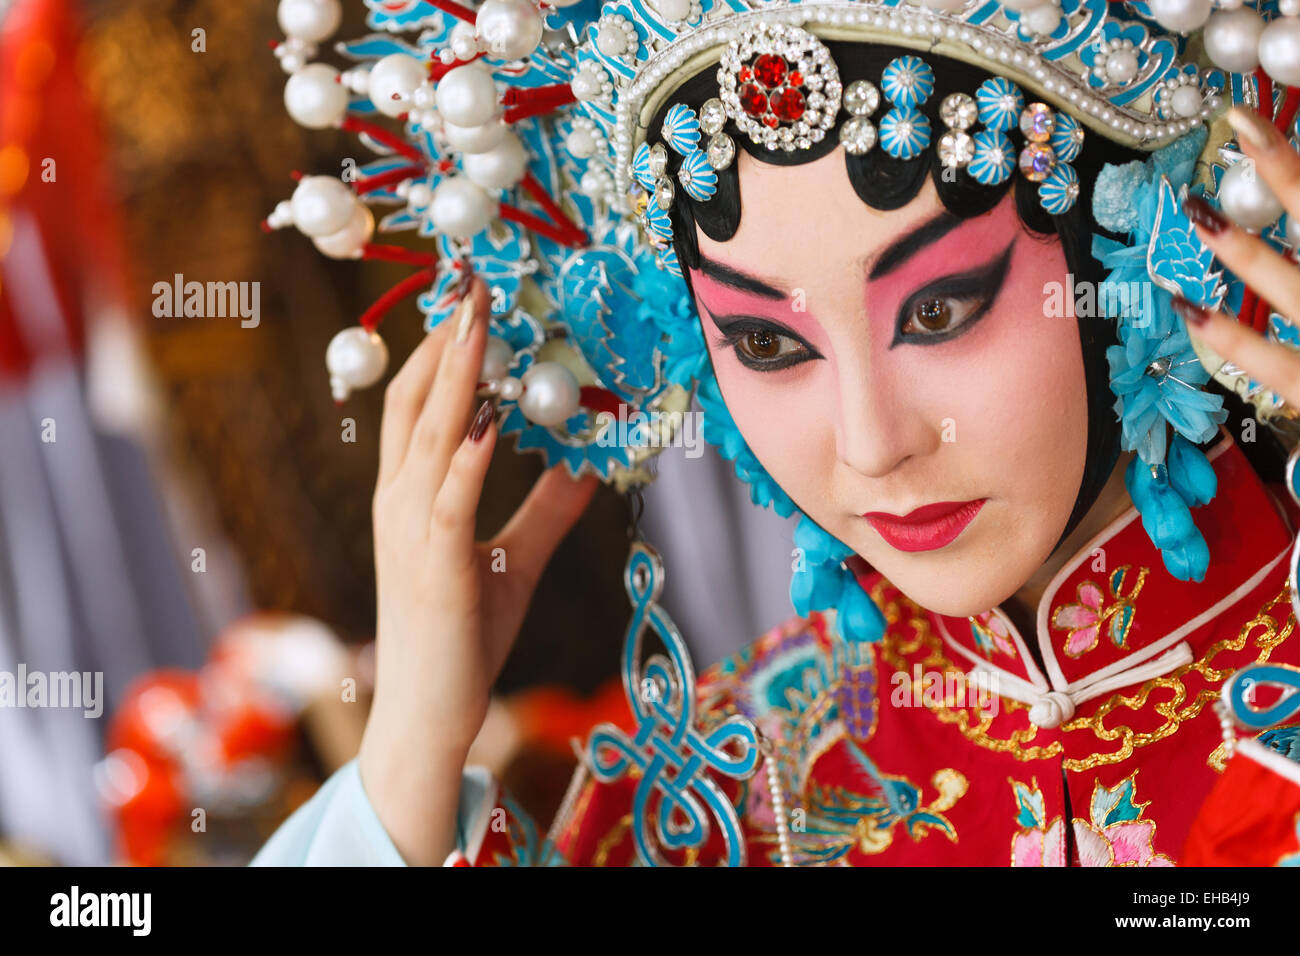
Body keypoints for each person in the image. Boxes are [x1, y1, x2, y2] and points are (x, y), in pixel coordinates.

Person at [254, 0, 1300, 866]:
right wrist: (405, 758)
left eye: (937, 310)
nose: (868, 442)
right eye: (764, 341)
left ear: (1131, 256)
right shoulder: (730, 791)